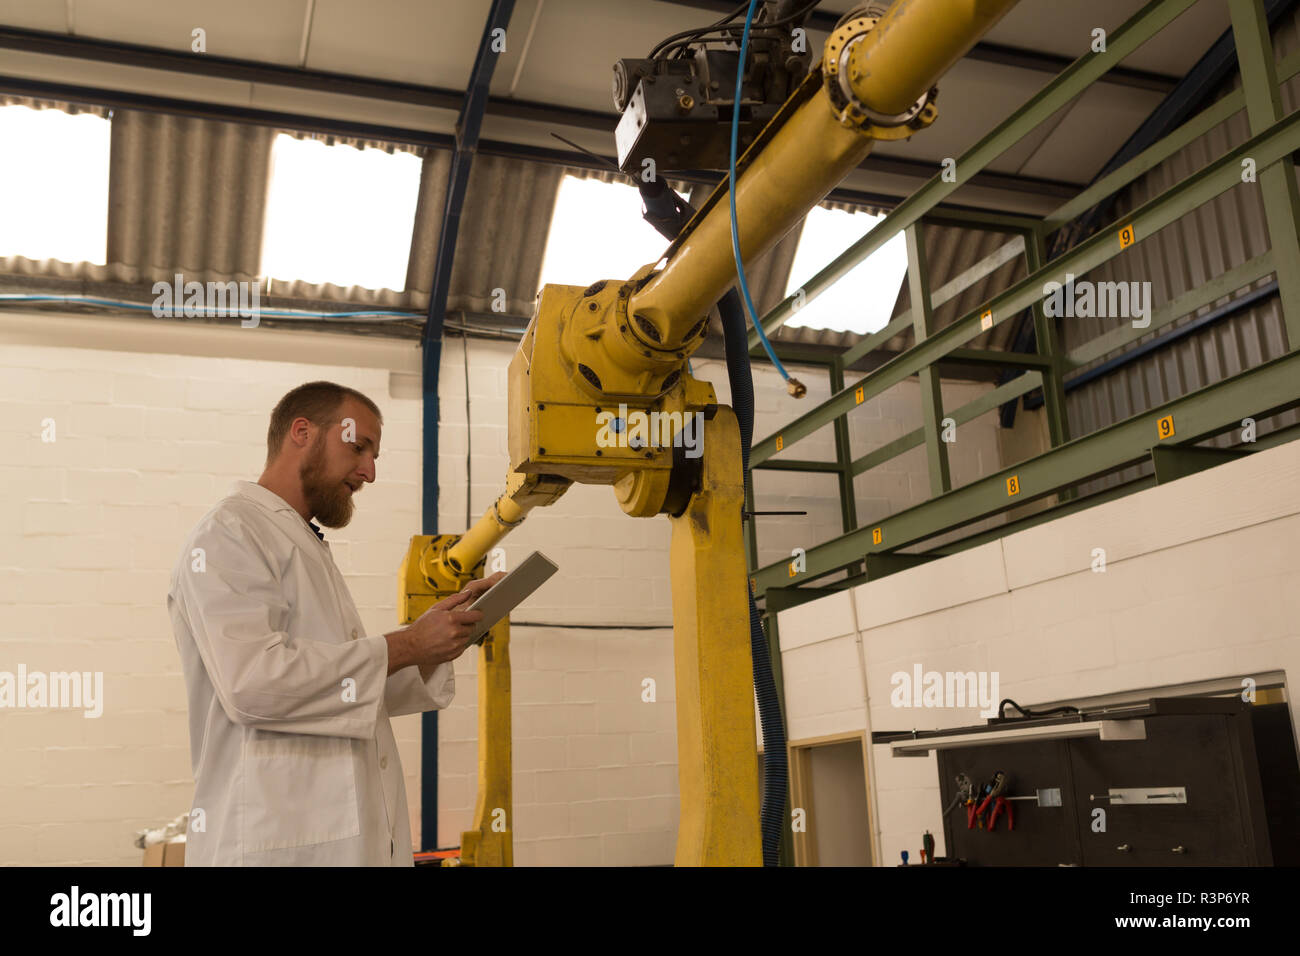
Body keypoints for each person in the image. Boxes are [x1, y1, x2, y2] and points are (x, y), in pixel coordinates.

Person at [167, 380, 503, 865]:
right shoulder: (230, 534)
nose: (368, 470)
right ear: (301, 432)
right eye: (358, 446)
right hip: (274, 847)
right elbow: (254, 685)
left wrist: (435, 640)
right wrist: (406, 645)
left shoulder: (300, 540)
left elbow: (342, 693)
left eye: (374, 455)